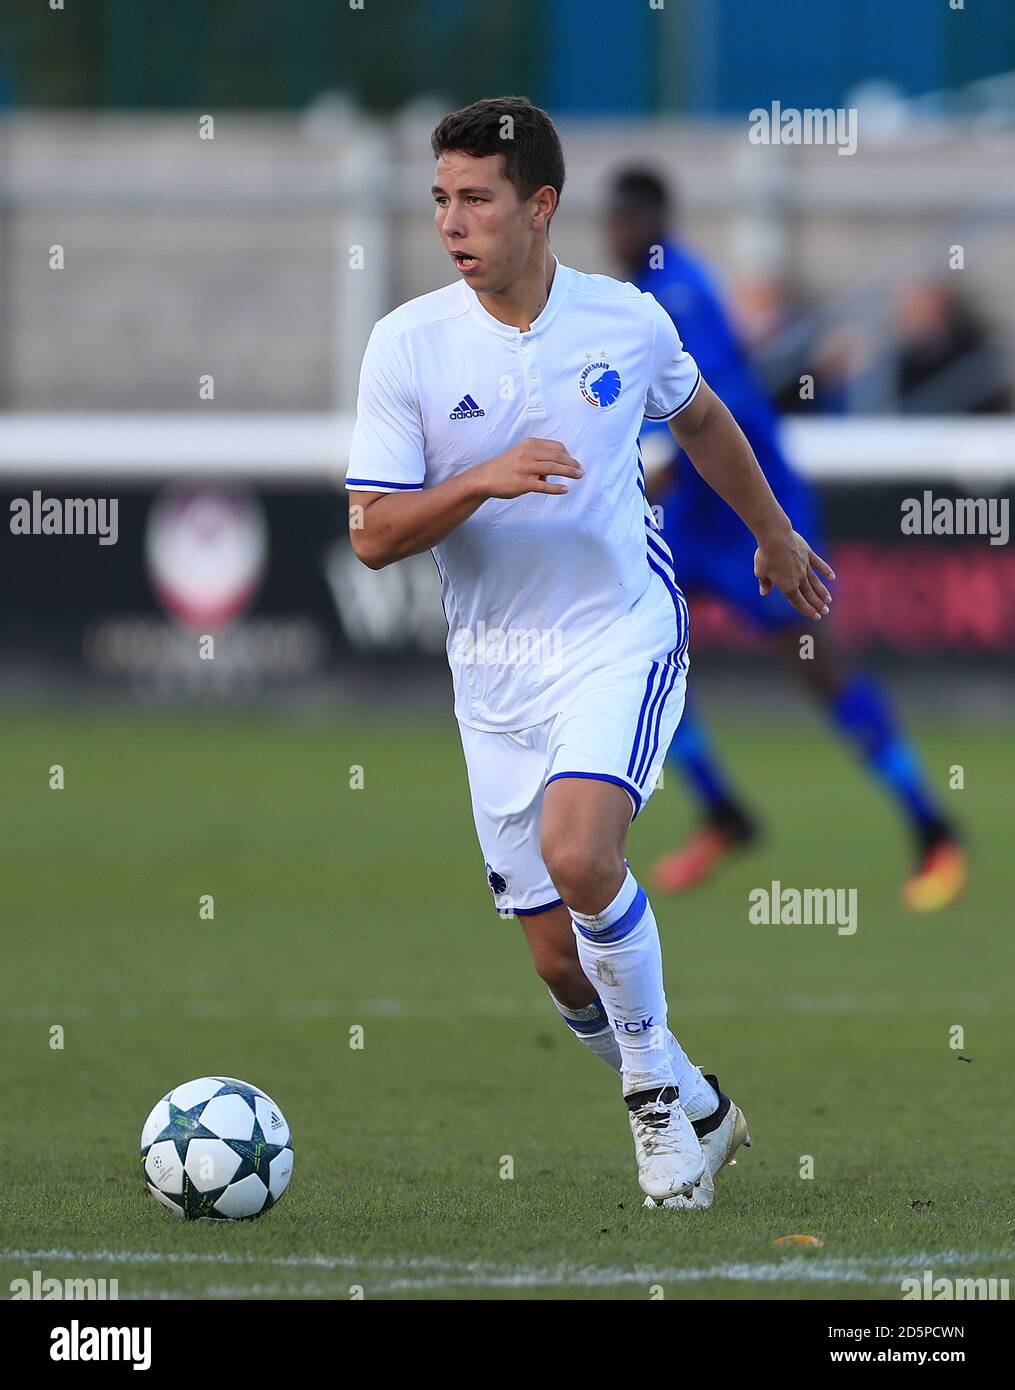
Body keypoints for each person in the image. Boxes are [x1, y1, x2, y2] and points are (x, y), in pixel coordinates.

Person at [347, 98, 834, 1211]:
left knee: (580, 854)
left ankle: (657, 1116)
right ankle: (697, 1098)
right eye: (439, 199)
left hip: (619, 632)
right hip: (493, 676)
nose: (452, 223)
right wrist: (478, 477)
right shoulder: (407, 344)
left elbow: (703, 418)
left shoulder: (625, 321)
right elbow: (371, 534)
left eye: (476, 199)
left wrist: (770, 531)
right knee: (558, 963)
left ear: (541, 206)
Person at [606, 167, 966, 912]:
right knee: (632, 647)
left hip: (746, 505)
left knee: (813, 661)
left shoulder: (677, 290)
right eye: (608, 218)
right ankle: (721, 810)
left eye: (625, 218)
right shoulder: (634, 295)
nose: (613, 231)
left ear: (654, 218)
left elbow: (722, 401)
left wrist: (665, 470)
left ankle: (931, 824)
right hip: (691, 518)